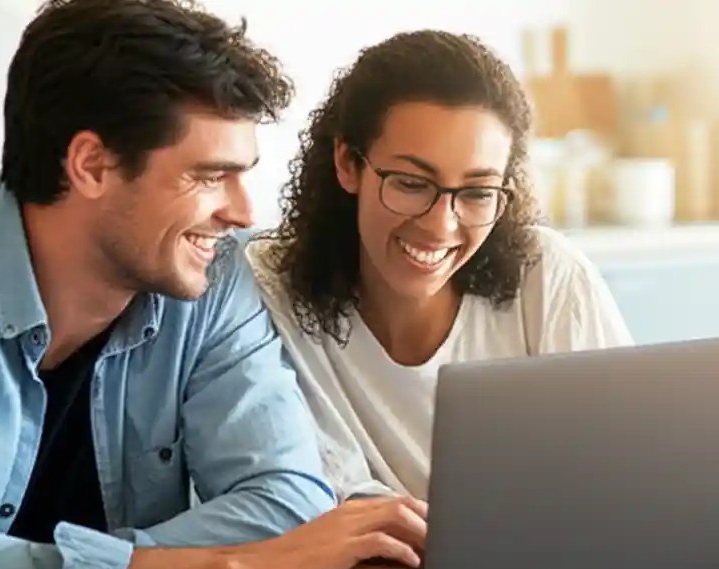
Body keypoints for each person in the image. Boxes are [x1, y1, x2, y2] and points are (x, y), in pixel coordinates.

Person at [0, 0, 426, 569]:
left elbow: (286, 502)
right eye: (210, 176)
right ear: (91, 165)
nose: (239, 211)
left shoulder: (212, 274)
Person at [247, 31, 633, 501]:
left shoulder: (547, 276)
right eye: (411, 183)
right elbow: (306, 504)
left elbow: (622, 478)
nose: (440, 224)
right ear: (348, 164)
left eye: (476, 193)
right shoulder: (272, 289)